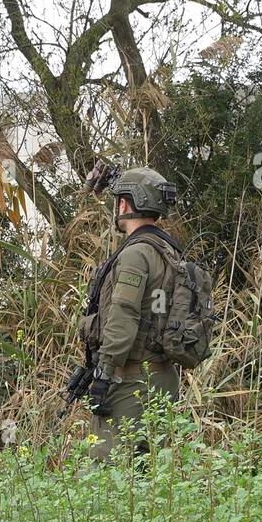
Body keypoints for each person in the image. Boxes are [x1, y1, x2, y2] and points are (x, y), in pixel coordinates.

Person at [78, 167, 185, 461]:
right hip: (162, 378)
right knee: (148, 477)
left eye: (118, 201)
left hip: (131, 381)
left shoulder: (135, 254)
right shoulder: (169, 251)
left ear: (125, 204)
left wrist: (104, 373)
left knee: (109, 478)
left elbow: (123, 316)